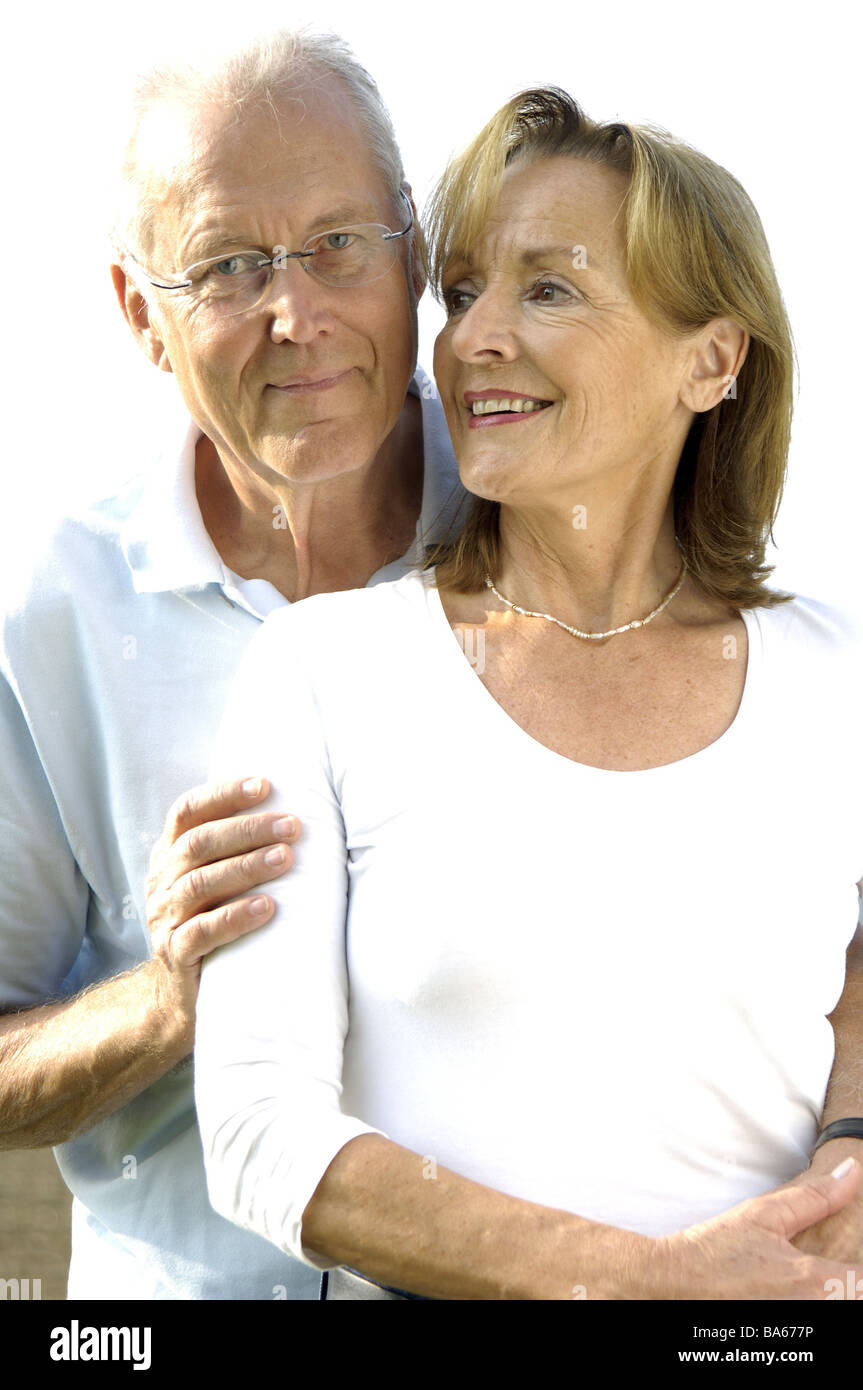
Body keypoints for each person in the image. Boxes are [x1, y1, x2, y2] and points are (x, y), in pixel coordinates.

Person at [194, 88, 863, 1299]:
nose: (470, 340)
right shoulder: (324, 673)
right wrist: (647, 1281)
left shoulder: (838, 681)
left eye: (546, 288)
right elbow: (254, 1137)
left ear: (710, 360)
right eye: (460, 292)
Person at [0, 30, 463, 1299]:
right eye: (225, 267)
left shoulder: (552, 539)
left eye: (336, 245)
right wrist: (167, 995)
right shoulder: (51, 612)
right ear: (138, 316)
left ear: (413, 256)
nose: (295, 313)